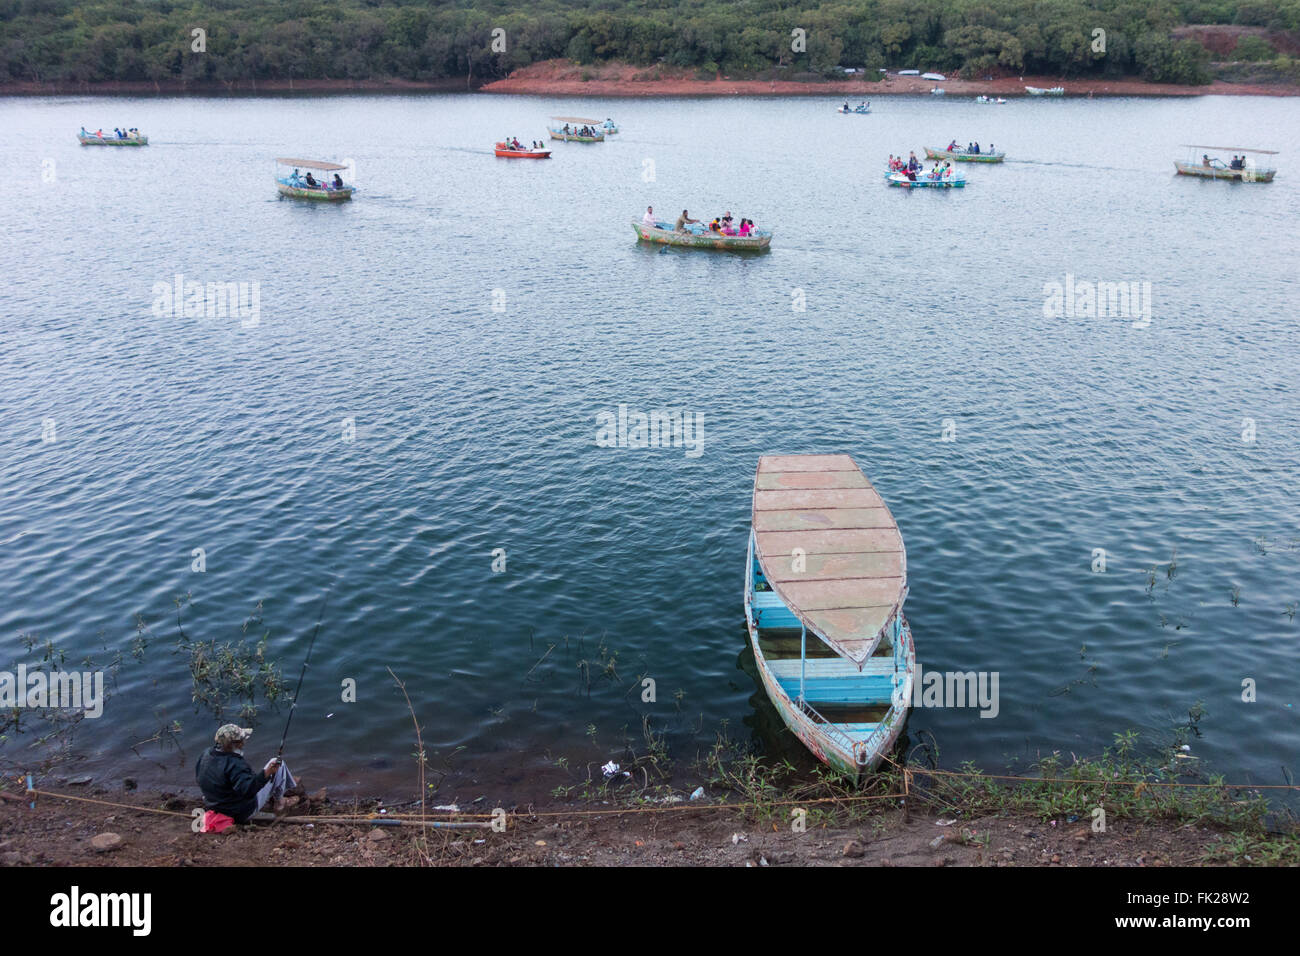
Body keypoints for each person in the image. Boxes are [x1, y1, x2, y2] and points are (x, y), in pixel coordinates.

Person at [195, 724, 299, 827]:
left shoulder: (206, 754)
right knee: (278, 763)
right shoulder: (235, 764)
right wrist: (266, 773)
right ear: (238, 744)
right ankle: (280, 803)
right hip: (239, 813)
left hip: (214, 805)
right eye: (243, 740)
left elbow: (199, 778)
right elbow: (249, 791)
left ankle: (277, 795)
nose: (244, 742)